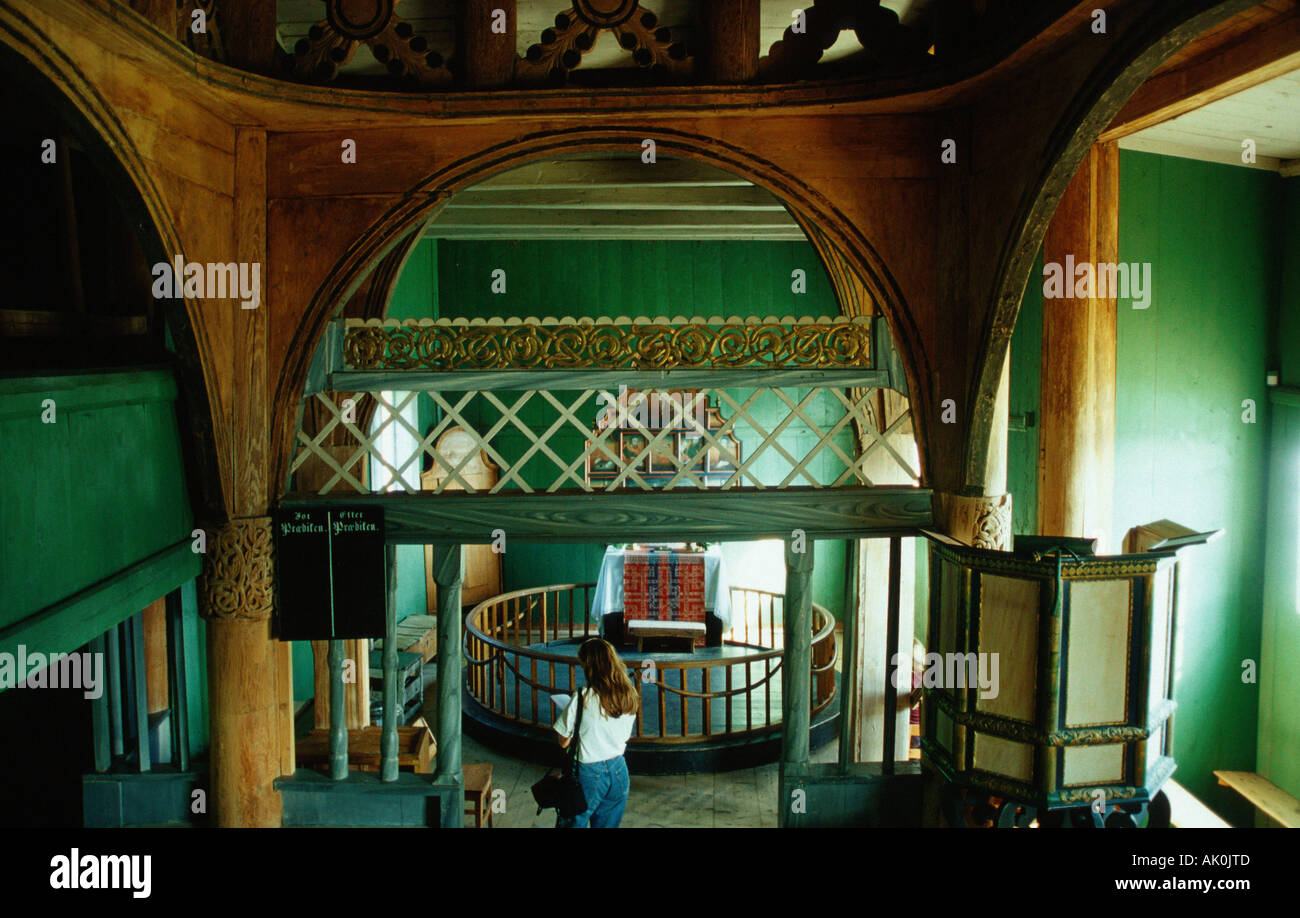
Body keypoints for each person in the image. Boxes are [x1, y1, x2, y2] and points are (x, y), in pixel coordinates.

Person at [552, 637, 639, 828]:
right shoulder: (629, 694)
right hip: (619, 770)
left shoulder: (582, 697)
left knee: (573, 823)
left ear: (588, 667)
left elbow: (563, 742)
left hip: (588, 774)